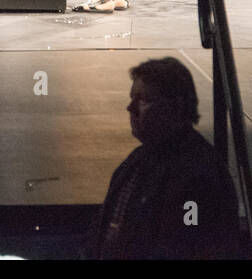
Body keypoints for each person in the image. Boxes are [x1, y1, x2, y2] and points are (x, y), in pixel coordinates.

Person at [87, 57, 242, 259]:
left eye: (143, 100)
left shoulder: (197, 174)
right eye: (132, 98)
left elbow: (190, 245)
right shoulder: (139, 159)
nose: (130, 108)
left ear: (175, 106)